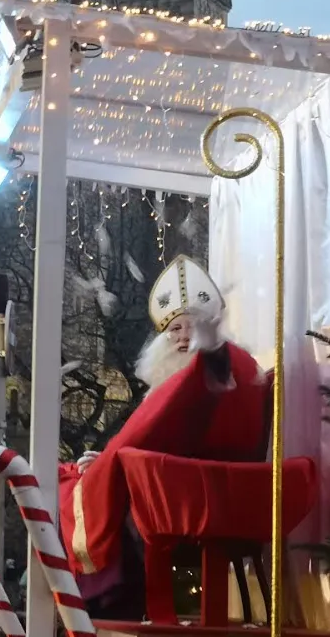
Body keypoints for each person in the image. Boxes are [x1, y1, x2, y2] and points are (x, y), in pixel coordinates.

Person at [57, 255, 269, 617]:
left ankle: (116, 602)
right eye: (175, 329)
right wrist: (109, 459)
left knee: (83, 492)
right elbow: (147, 433)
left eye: (193, 327)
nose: (184, 337)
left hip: (194, 491)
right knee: (77, 480)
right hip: (171, 480)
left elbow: (167, 434)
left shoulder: (222, 368)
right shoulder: (177, 380)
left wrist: (114, 462)